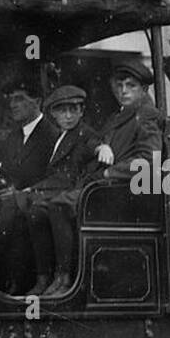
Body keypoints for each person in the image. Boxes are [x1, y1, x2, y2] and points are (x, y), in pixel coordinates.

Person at [0, 77, 60, 292]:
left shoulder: (52, 135)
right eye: (11, 99)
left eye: (20, 99)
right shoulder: (12, 137)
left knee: (11, 216)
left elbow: (54, 176)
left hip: (38, 202)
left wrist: (19, 191)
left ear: (37, 102)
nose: (13, 104)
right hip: (10, 202)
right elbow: (3, 170)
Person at [25, 86, 101, 297]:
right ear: (54, 114)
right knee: (34, 213)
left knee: (51, 207)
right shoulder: (62, 136)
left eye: (73, 110)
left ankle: (63, 277)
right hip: (59, 193)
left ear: (81, 111)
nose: (68, 116)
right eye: (62, 111)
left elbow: (93, 144)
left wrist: (102, 149)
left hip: (73, 195)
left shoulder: (84, 133)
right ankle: (43, 277)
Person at [85, 58, 163, 184]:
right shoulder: (118, 115)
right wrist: (101, 147)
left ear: (144, 90)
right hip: (103, 184)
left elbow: (149, 159)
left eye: (131, 85)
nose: (124, 91)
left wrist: (109, 172)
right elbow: (92, 139)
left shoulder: (146, 115)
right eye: (120, 85)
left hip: (122, 187)